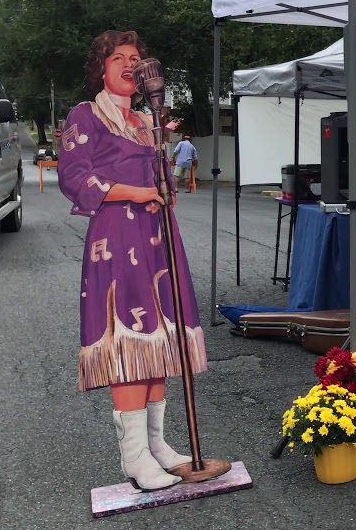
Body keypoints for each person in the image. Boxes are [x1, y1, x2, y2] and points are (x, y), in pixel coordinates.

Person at [58, 30, 207, 492]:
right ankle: (134, 457)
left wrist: (165, 188)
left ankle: (158, 445)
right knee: (128, 340)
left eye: (135, 58)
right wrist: (137, 192)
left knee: (159, 339)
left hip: (157, 237)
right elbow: (75, 177)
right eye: (117, 57)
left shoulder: (146, 120)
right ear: (100, 69)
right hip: (117, 235)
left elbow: (161, 180)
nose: (128, 64)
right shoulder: (86, 115)